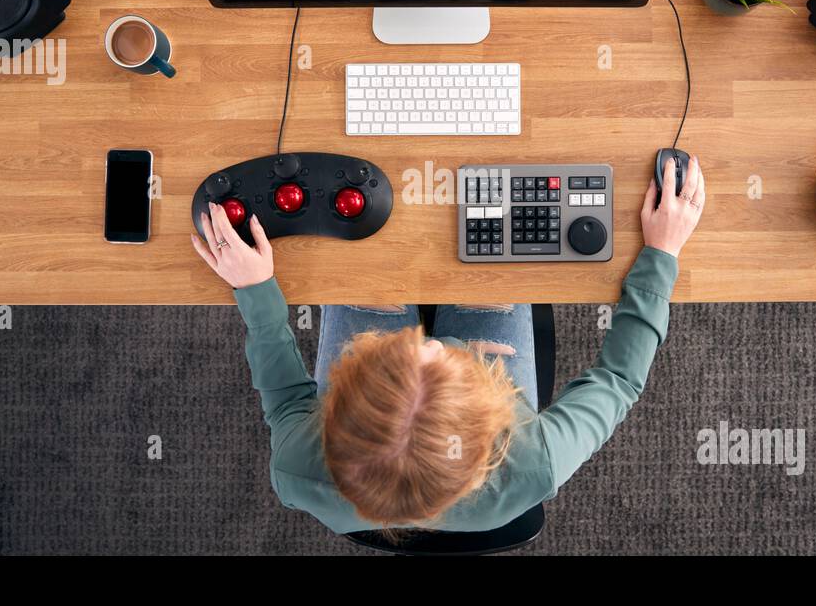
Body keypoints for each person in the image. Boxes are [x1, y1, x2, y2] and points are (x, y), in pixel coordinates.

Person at [191, 154, 706, 533]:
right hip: (451, 398)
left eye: (402, 352)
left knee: (365, 275)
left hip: (409, 398)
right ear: (491, 425)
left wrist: (256, 289)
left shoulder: (296, 470)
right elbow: (618, 382)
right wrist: (661, 252)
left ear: (339, 407)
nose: (433, 341)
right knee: (492, 265)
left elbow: (285, 398)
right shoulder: (533, 462)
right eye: (439, 354)